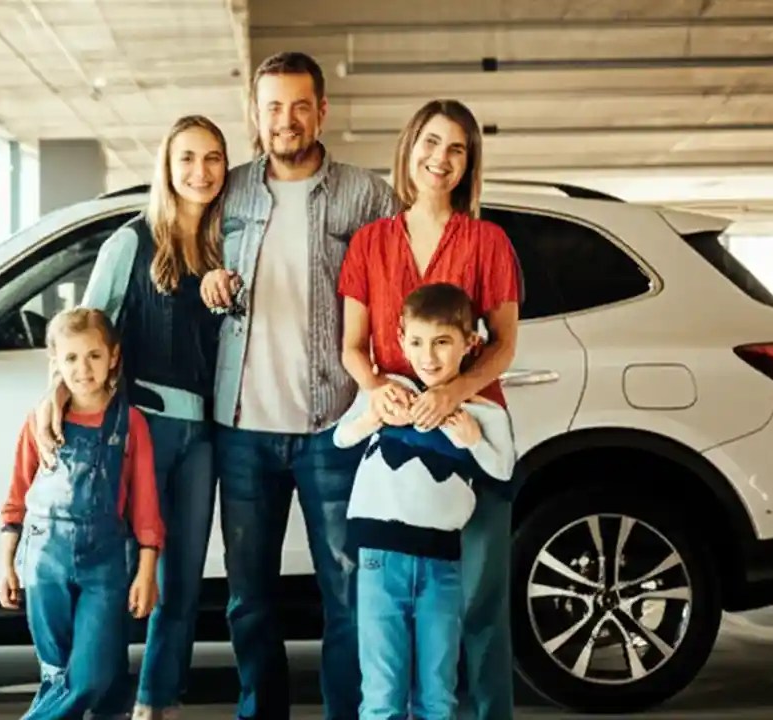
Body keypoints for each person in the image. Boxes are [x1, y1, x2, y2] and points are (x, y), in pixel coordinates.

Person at [200, 51, 399, 720]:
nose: (286, 120)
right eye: (273, 107)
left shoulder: (366, 195)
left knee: (346, 590)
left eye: (298, 106)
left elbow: (399, 299)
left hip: (333, 425)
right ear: (256, 115)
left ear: (322, 110)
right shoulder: (228, 192)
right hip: (243, 429)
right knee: (248, 597)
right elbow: (186, 260)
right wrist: (209, 281)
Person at [33, 114, 229, 719]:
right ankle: (96, 701)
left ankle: (157, 702)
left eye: (213, 159)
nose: (200, 172)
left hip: (206, 438)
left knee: (182, 583)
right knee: (119, 579)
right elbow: (81, 338)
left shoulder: (230, 245)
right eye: (187, 159)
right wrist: (54, 399)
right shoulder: (132, 242)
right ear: (167, 169)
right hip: (138, 432)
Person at [338, 98, 523, 720]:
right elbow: (352, 347)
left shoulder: (488, 241)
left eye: (456, 149)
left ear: (469, 164)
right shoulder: (370, 242)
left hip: (468, 431)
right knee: (396, 608)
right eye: (431, 142)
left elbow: (504, 346)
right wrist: (374, 390)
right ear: (409, 146)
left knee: (477, 601)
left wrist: (452, 392)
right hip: (394, 437)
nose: (439, 159)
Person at [333, 282, 517, 720]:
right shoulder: (389, 389)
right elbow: (342, 438)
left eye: (442, 343)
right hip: (380, 559)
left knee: (437, 694)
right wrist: (372, 414)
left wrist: (473, 440)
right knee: (381, 692)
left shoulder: (483, 412)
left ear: (470, 344)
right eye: (416, 342)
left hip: (441, 565)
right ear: (400, 340)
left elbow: (503, 470)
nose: (428, 356)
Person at [0, 307, 165, 720]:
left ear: (113, 356)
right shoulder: (40, 422)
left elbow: (145, 508)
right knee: (57, 675)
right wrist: (6, 562)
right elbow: (17, 496)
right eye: (71, 358)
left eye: (93, 355)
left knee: (94, 675)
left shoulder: (131, 423)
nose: (83, 368)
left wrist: (147, 572)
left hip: (104, 564)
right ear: (55, 361)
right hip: (43, 559)